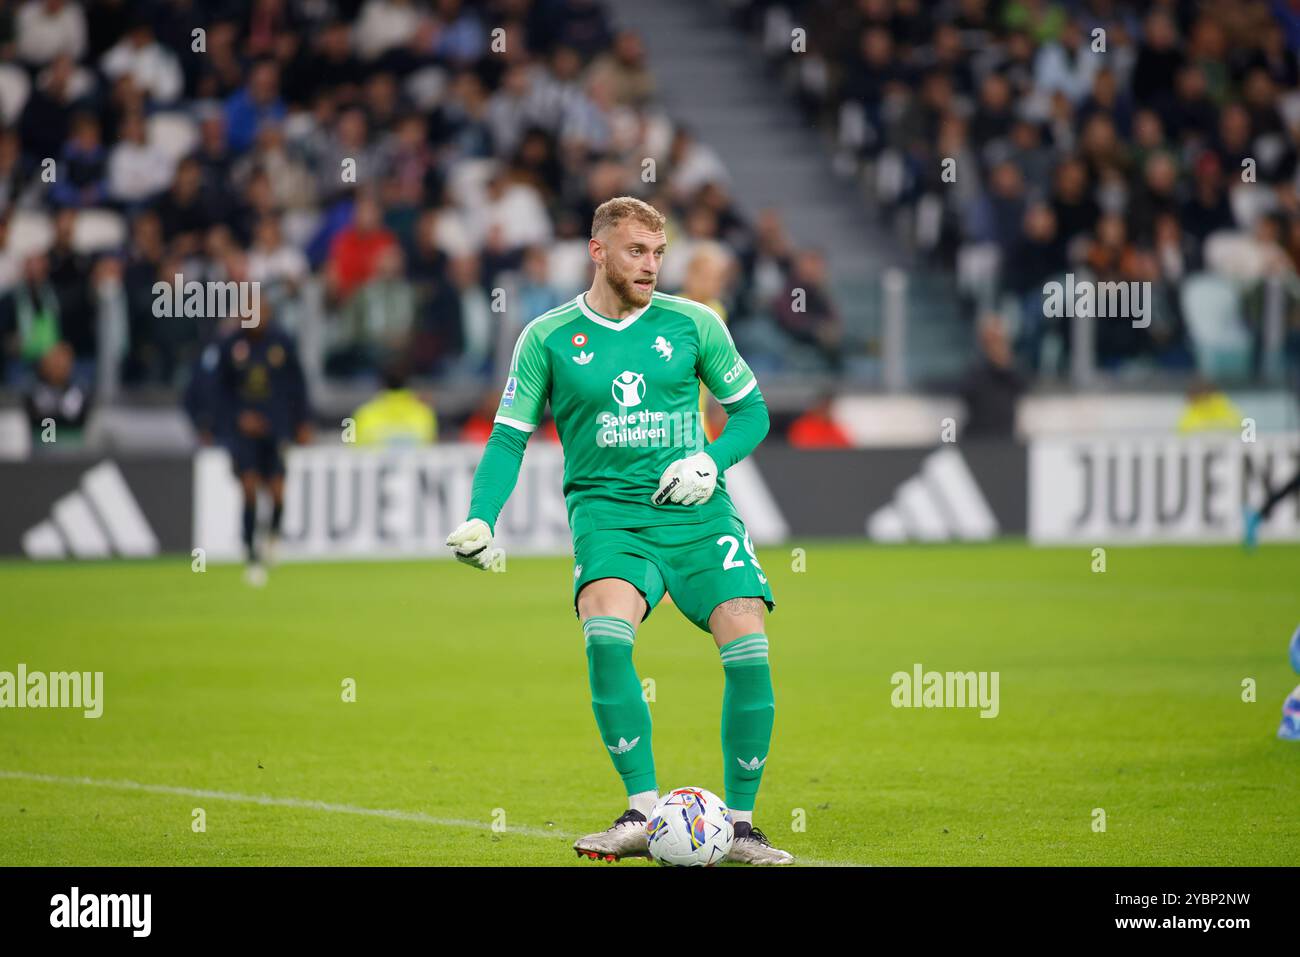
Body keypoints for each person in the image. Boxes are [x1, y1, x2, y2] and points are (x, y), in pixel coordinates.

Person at [445, 196, 791, 864]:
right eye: (637, 251)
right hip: (609, 517)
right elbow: (509, 437)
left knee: (748, 637)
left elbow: (752, 413)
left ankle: (742, 825)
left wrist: (708, 460)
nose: (652, 265)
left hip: (698, 511)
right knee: (606, 637)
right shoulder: (546, 336)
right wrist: (481, 517)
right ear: (598, 251)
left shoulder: (695, 322)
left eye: (660, 253)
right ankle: (640, 811)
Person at [211, 307, 311, 585]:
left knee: (278, 491)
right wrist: (235, 419)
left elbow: (297, 385)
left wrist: (301, 422)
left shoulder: (282, 343)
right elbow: (219, 391)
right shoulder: (231, 346)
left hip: (275, 428)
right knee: (249, 487)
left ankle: (273, 536)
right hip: (244, 433)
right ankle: (250, 550)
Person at [352, 361, 437, 446]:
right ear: (408, 384)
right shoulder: (424, 412)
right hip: (413, 459)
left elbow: (353, 447)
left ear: (381, 384)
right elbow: (430, 446)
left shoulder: (364, 413)